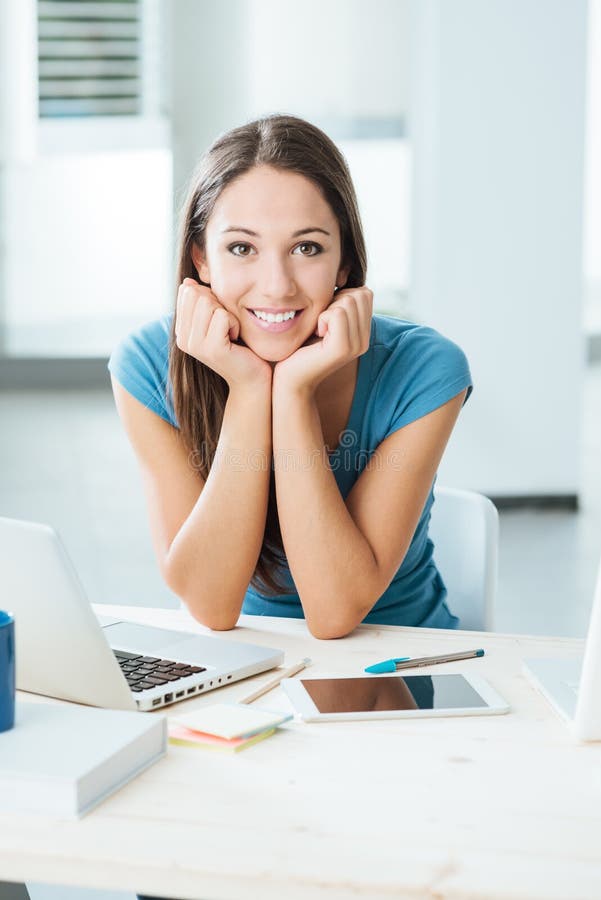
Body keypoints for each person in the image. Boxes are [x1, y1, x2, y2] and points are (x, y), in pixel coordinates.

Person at [108, 112, 473, 648]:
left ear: (344, 262)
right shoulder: (145, 366)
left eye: (307, 248)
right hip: (244, 657)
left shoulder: (424, 369)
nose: (277, 286)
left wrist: (294, 392)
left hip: (394, 668)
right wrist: (251, 389)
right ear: (200, 259)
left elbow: (334, 613)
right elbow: (210, 605)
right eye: (241, 248)